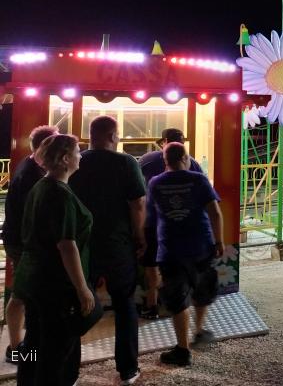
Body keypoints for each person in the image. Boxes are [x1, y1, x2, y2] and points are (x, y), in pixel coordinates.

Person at [69, 116, 146, 385]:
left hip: (82, 246)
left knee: (77, 304)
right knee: (125, 304)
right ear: (113, 136)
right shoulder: (126, 163)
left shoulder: (77, 161)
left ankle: (70, 371)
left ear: (91, 135)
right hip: (117, 244)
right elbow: (137, 205)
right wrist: (139, 236)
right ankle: (127, 369)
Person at [14, 134, 94, 386]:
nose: (81, 156)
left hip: (33, 279)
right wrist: (82, 290)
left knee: (32, 341)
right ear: (65, 158)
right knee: (56, 350)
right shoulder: (61, 194)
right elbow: (66, 245)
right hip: (55, 284)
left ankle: (24, 380)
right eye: (77, 152)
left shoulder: (40, 186)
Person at [146, 142, 224, 367]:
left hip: (170, 249)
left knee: (178, 298)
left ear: (166, 161)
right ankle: (199, 331)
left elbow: (150, 218)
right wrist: (218, 241)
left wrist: (144, 243)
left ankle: (183, 349)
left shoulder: (155, 182)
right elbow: (214, 212)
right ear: (184, 157)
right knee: (202, 289)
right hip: (201, 244)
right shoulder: (198, 180)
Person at [1, 125, 58, 363]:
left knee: (22, 294)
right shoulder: (32, 176)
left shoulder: (28, 165)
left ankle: (18, 346)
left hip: (18, 241)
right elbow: (33, 219)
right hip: (24, 244)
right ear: (46, 147)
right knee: (23, 294)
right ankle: (18, 350)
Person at [138, 128, 203, 319]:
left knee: (151, 265)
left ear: (164, 141)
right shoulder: (193, 164)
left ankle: (152, 304)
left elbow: (137, 191)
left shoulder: (148, 159)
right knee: (176, 265)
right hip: (182, 224)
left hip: (153, 222)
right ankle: (177, 304)